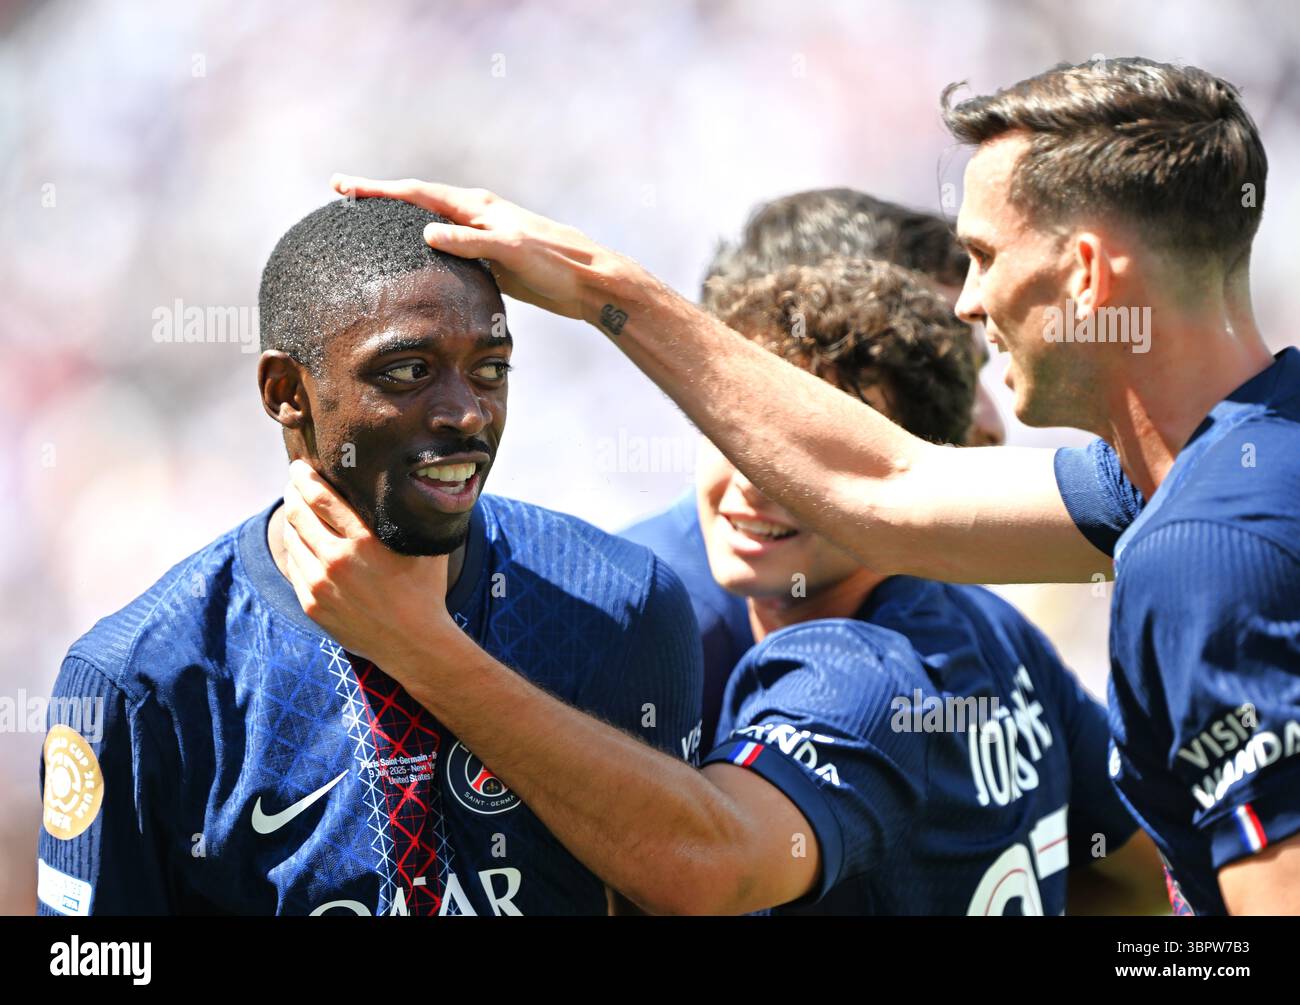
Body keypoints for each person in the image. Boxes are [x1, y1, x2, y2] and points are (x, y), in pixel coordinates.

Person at [332, 56, 1300, 915]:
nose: (966, 302)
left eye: (983, 257)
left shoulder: (1200, 552)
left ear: (1084, 274)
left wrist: (422, 648)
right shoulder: (1211, 469)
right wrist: (600, 289)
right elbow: (889, 485)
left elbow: (715, 865)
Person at [281, 255, 1160, 914]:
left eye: (799, 468)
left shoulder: (856, 670)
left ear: (894, 480)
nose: (750, 486)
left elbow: (715, 862)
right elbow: (1131, 874)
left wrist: (419, 644)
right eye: (733, 445)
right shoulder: (999, 639)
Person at [35, 196, 702, 917]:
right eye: (409, 370)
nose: (466, 412)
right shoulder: (139, 680)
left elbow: (701, 889)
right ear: (286, 392)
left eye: (490, 368)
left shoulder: (621, 604)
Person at [624, 188, 1005, 744]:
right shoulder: (637, 625)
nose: (991, 424)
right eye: (948, 371)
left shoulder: (972, 619)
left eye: (968, 367)